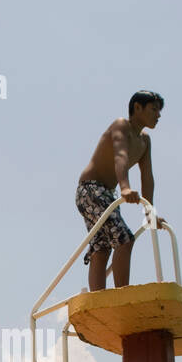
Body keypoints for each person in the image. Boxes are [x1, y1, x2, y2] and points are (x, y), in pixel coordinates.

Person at [75, 90, 166, 291]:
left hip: (107, 194)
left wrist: (150, 213)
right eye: (153, 109)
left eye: (159, 111)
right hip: (90, 189)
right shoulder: (121, 125)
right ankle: (122, 295)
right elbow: (120, 156)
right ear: (137, 108)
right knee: (124, 239)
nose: (158, 115)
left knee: (102, 248)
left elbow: (147, 177)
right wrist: (125, 187)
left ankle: (99, 300)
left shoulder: (145, 141)